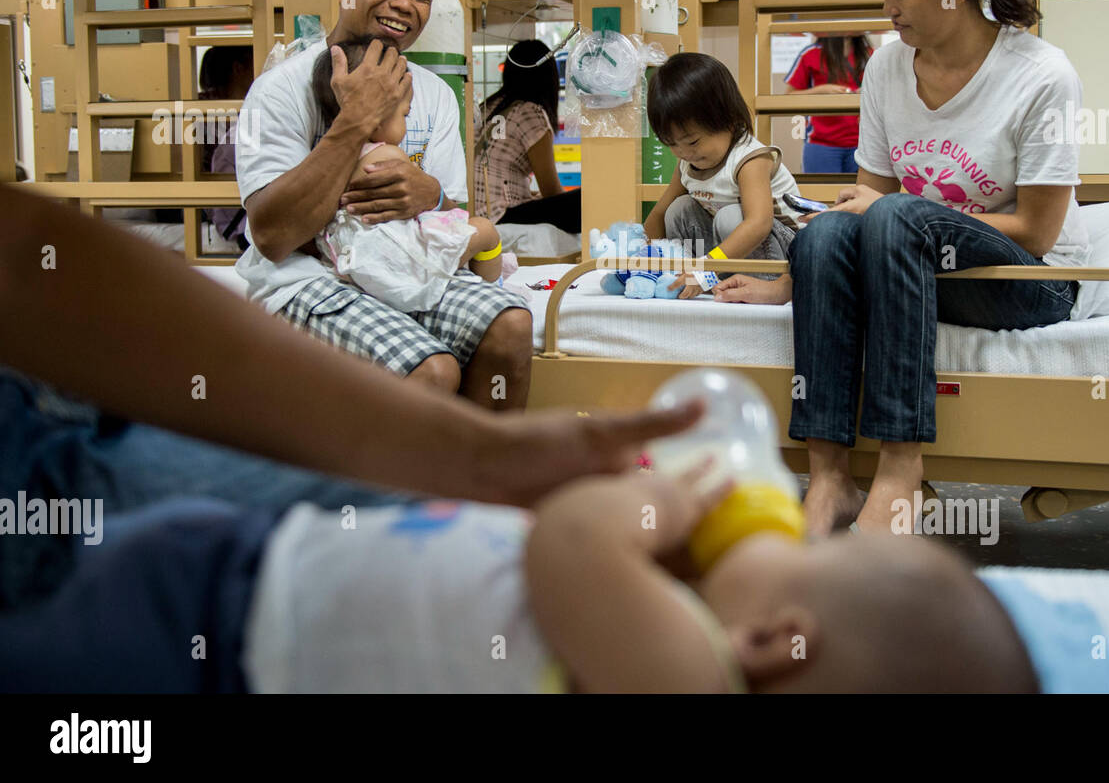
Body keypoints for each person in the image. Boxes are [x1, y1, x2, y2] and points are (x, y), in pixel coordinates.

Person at [0, 183, 702, 608]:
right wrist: (478, 456)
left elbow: (34, 256)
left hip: (58, 434)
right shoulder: (308, 112)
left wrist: (484, 454)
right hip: (50, 470)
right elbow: (36, 259)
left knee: (463, 523)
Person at [712, 0, 1091, 535]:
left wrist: (899, 210)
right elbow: (866, 211)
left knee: (890, 215)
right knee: (831, 231)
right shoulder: (888, 71)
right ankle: (829, 475)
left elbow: (1036, 231)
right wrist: (790, 282)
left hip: (1026, 281)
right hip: (915, 263)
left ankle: (900, 470)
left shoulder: (1041, 76)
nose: (885, 8)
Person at [0, 463, 1042, 693]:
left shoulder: (691, 671)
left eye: (820, 549)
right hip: (265, 592)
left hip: (220, 611)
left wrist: (661, 505)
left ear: (775, 640)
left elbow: (570, 541)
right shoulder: (677, 637)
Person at [235, 0, 533, 408]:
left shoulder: (435, 93)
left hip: (403, 272)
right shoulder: (278, 91)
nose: (404, 4)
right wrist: (356, 121)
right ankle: (393, 487)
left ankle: (482, 481)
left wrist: (430, 193)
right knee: (432, 371)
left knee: (509, 324)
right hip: (307, 281)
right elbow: (272, 236)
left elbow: (451, 205)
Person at [310, 40, 505, 309]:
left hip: (350, 261)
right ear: (376, 116)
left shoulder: (329, 157)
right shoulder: (388, 156)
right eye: (404, 114)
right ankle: (491, 287)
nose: (407, 120)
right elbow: (424, 215)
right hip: (399, 265)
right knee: (484, 230)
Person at [643, 52, 807, 300]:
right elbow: (659, 213)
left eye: (693, 141)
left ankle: (755, 283)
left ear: (728, 120)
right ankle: (687, 277)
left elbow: (759, 223)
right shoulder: (687, 163)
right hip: (728, 251)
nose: (684, 153)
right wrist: (643, 255)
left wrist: (705, 267)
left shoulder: (749, 159)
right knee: (678, 209)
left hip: (782, 250)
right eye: (672, 144)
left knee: (730, 216)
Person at [473, 39, 579, 234]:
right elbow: (551, 189)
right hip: (499, 216)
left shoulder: (488, 106)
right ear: (549, 77)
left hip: (476, 211)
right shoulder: (530, 113)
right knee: (582, 201)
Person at [783, 34, 870, 173]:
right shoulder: (810, 54)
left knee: (865, 194)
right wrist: (821, 91)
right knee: (820, 194)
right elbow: (788, 98)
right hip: (821, 143)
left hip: (864, 143)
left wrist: (867, 92)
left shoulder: (870, 53)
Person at [199, 45, 255, 249]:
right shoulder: (205, 110)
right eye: (254, 63)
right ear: (238, 68)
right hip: (211, 202)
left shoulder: (247, 103)